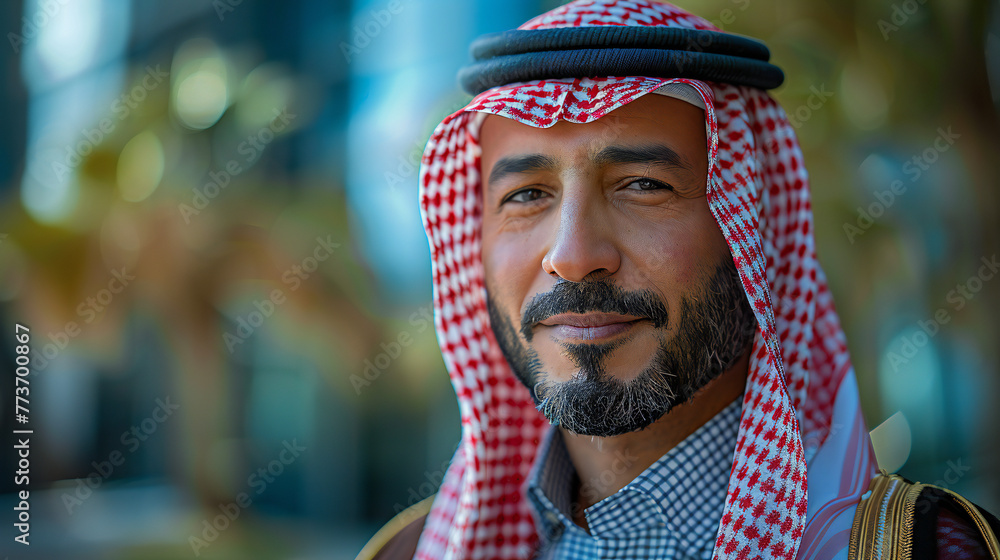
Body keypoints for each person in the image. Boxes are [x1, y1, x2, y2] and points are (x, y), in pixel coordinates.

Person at [355, 1, 1000, 559]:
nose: (573, 255)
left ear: (751, 228)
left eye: (644, 185)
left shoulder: (931, 550)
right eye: (526, 195)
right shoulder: (407, 553)